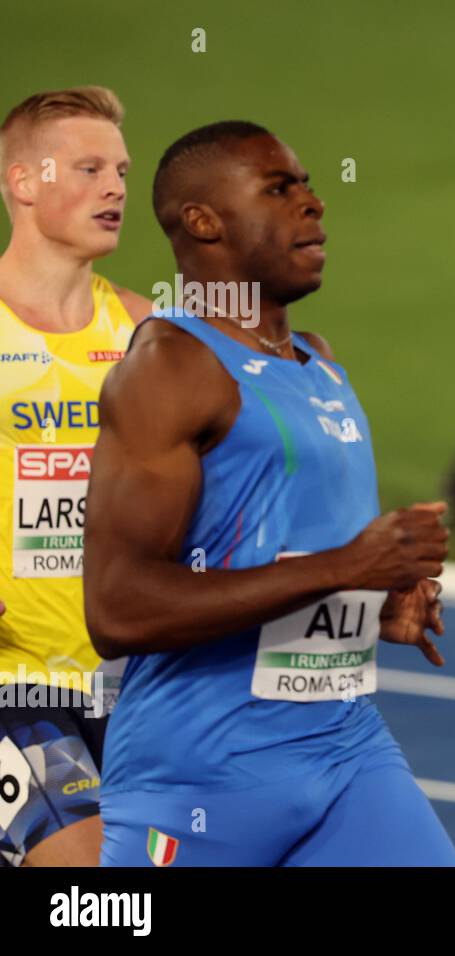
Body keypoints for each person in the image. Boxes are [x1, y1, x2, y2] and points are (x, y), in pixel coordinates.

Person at [84, 121, 455, 866]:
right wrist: (345, 568)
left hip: (345, 755)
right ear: (203, 220)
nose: (314, 203)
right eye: (280, 189)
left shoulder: (320, 364)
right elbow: (117, 608)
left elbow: (295, 552)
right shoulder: (171, 369)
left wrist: (374, 601)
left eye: (309, 184)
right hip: (200, 780)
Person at [0, 86, 154, 867]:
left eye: (121, 171)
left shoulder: (141, 328)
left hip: (132, 689)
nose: (117, 188)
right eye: (90, 168)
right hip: (13, 687)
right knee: (90, 886)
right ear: (24, 182)